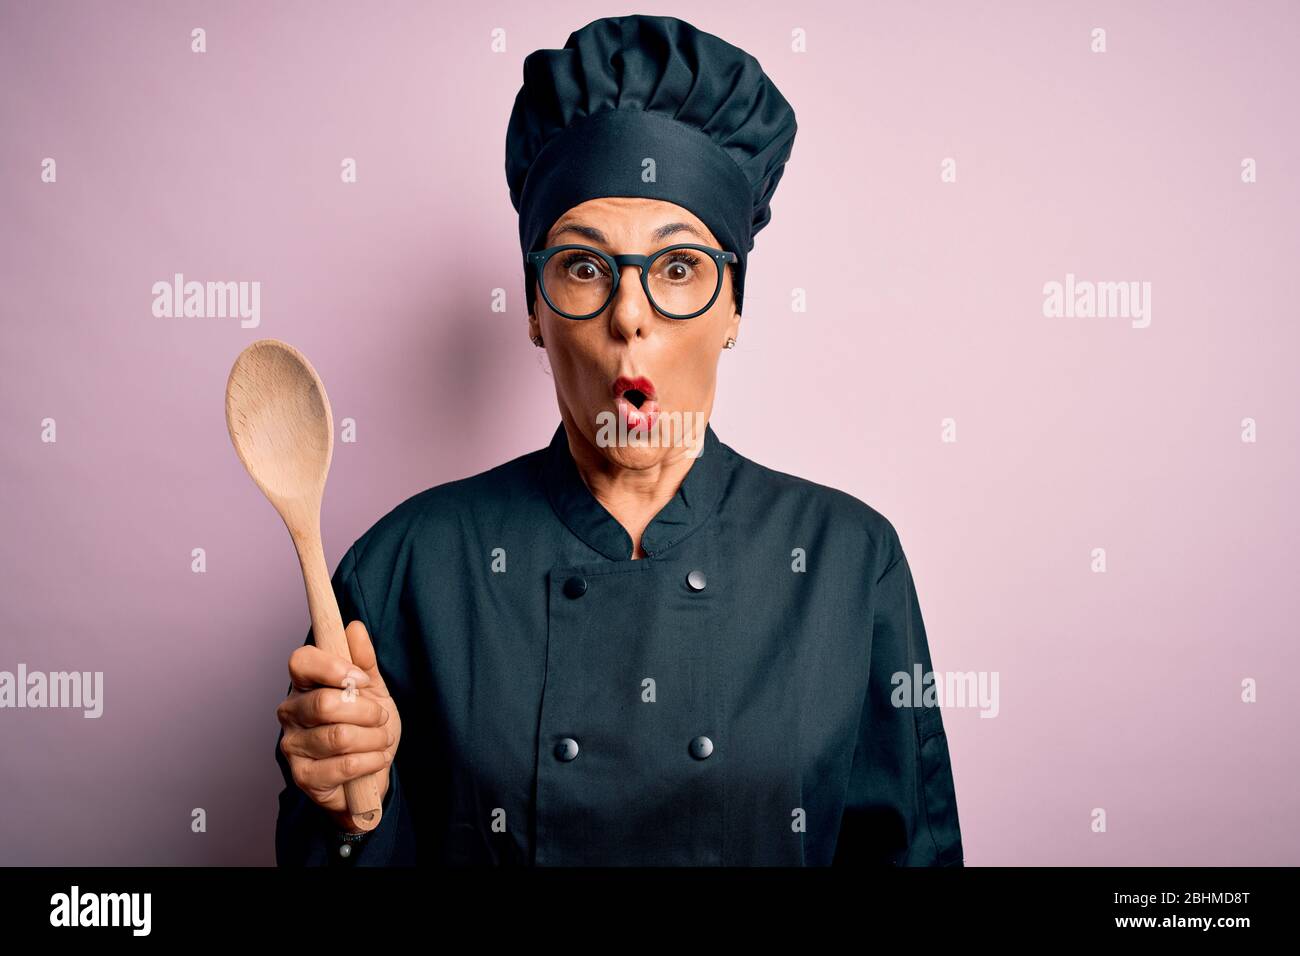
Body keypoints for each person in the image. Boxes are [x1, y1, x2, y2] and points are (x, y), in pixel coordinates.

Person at [274, 13, 963, 866]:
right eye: (583, 266)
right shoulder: (406, 568)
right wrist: (351, 817)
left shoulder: (850, 562)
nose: (628, 316)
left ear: (735, 308)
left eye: (678, 268)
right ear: (533, 309)